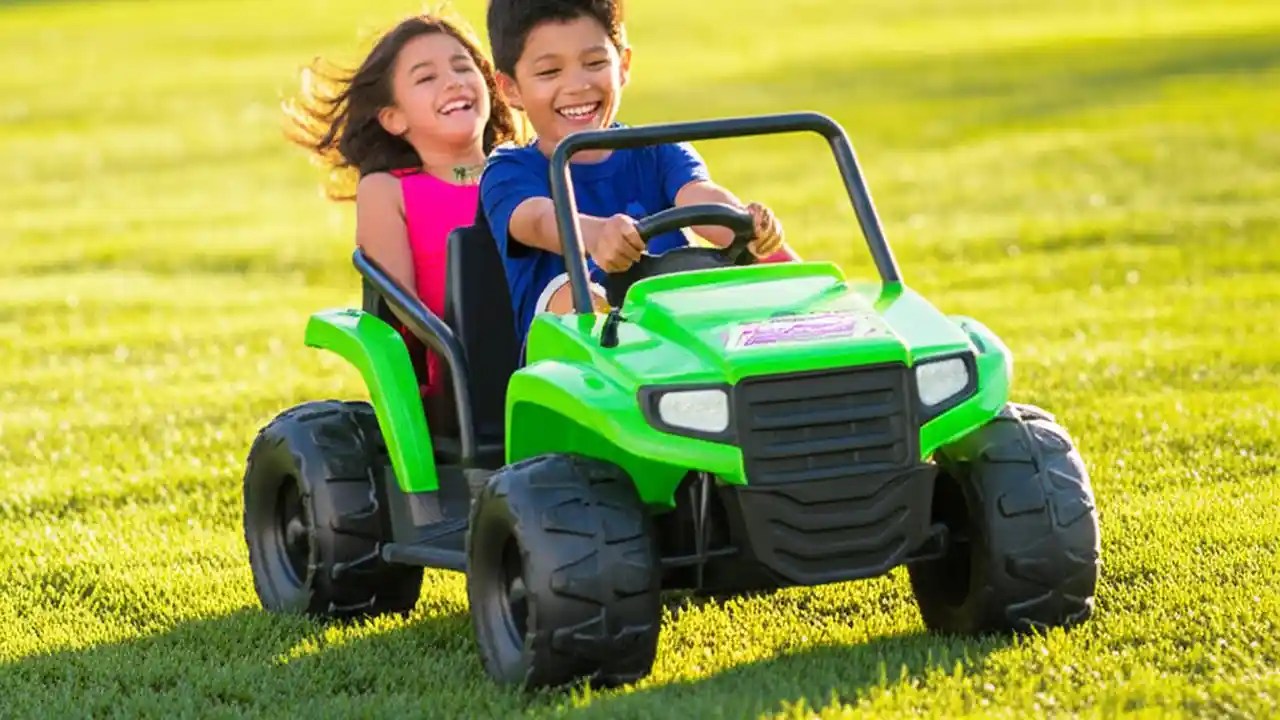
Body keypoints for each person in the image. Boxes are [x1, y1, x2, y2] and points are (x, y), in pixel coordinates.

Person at [480, 0, 799, 348]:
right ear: (510, 88)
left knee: (739, 279)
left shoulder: (657, 151)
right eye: (549, 72)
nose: (577, 85)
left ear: (623, 66)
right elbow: (540, 220)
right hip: (565, 367)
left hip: (678, 339)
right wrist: (596, 233)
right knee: (577, 292)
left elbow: (701, 196)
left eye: (594, 63)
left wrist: (748, 223)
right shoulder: (509, 170)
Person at [284, 14, 520, 403]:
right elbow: (406, 314)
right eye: (426, 78)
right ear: (393, 118)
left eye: (463, 68)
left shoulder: (525, 167)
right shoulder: (389, 191)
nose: (453, 81)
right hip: (462, 374)